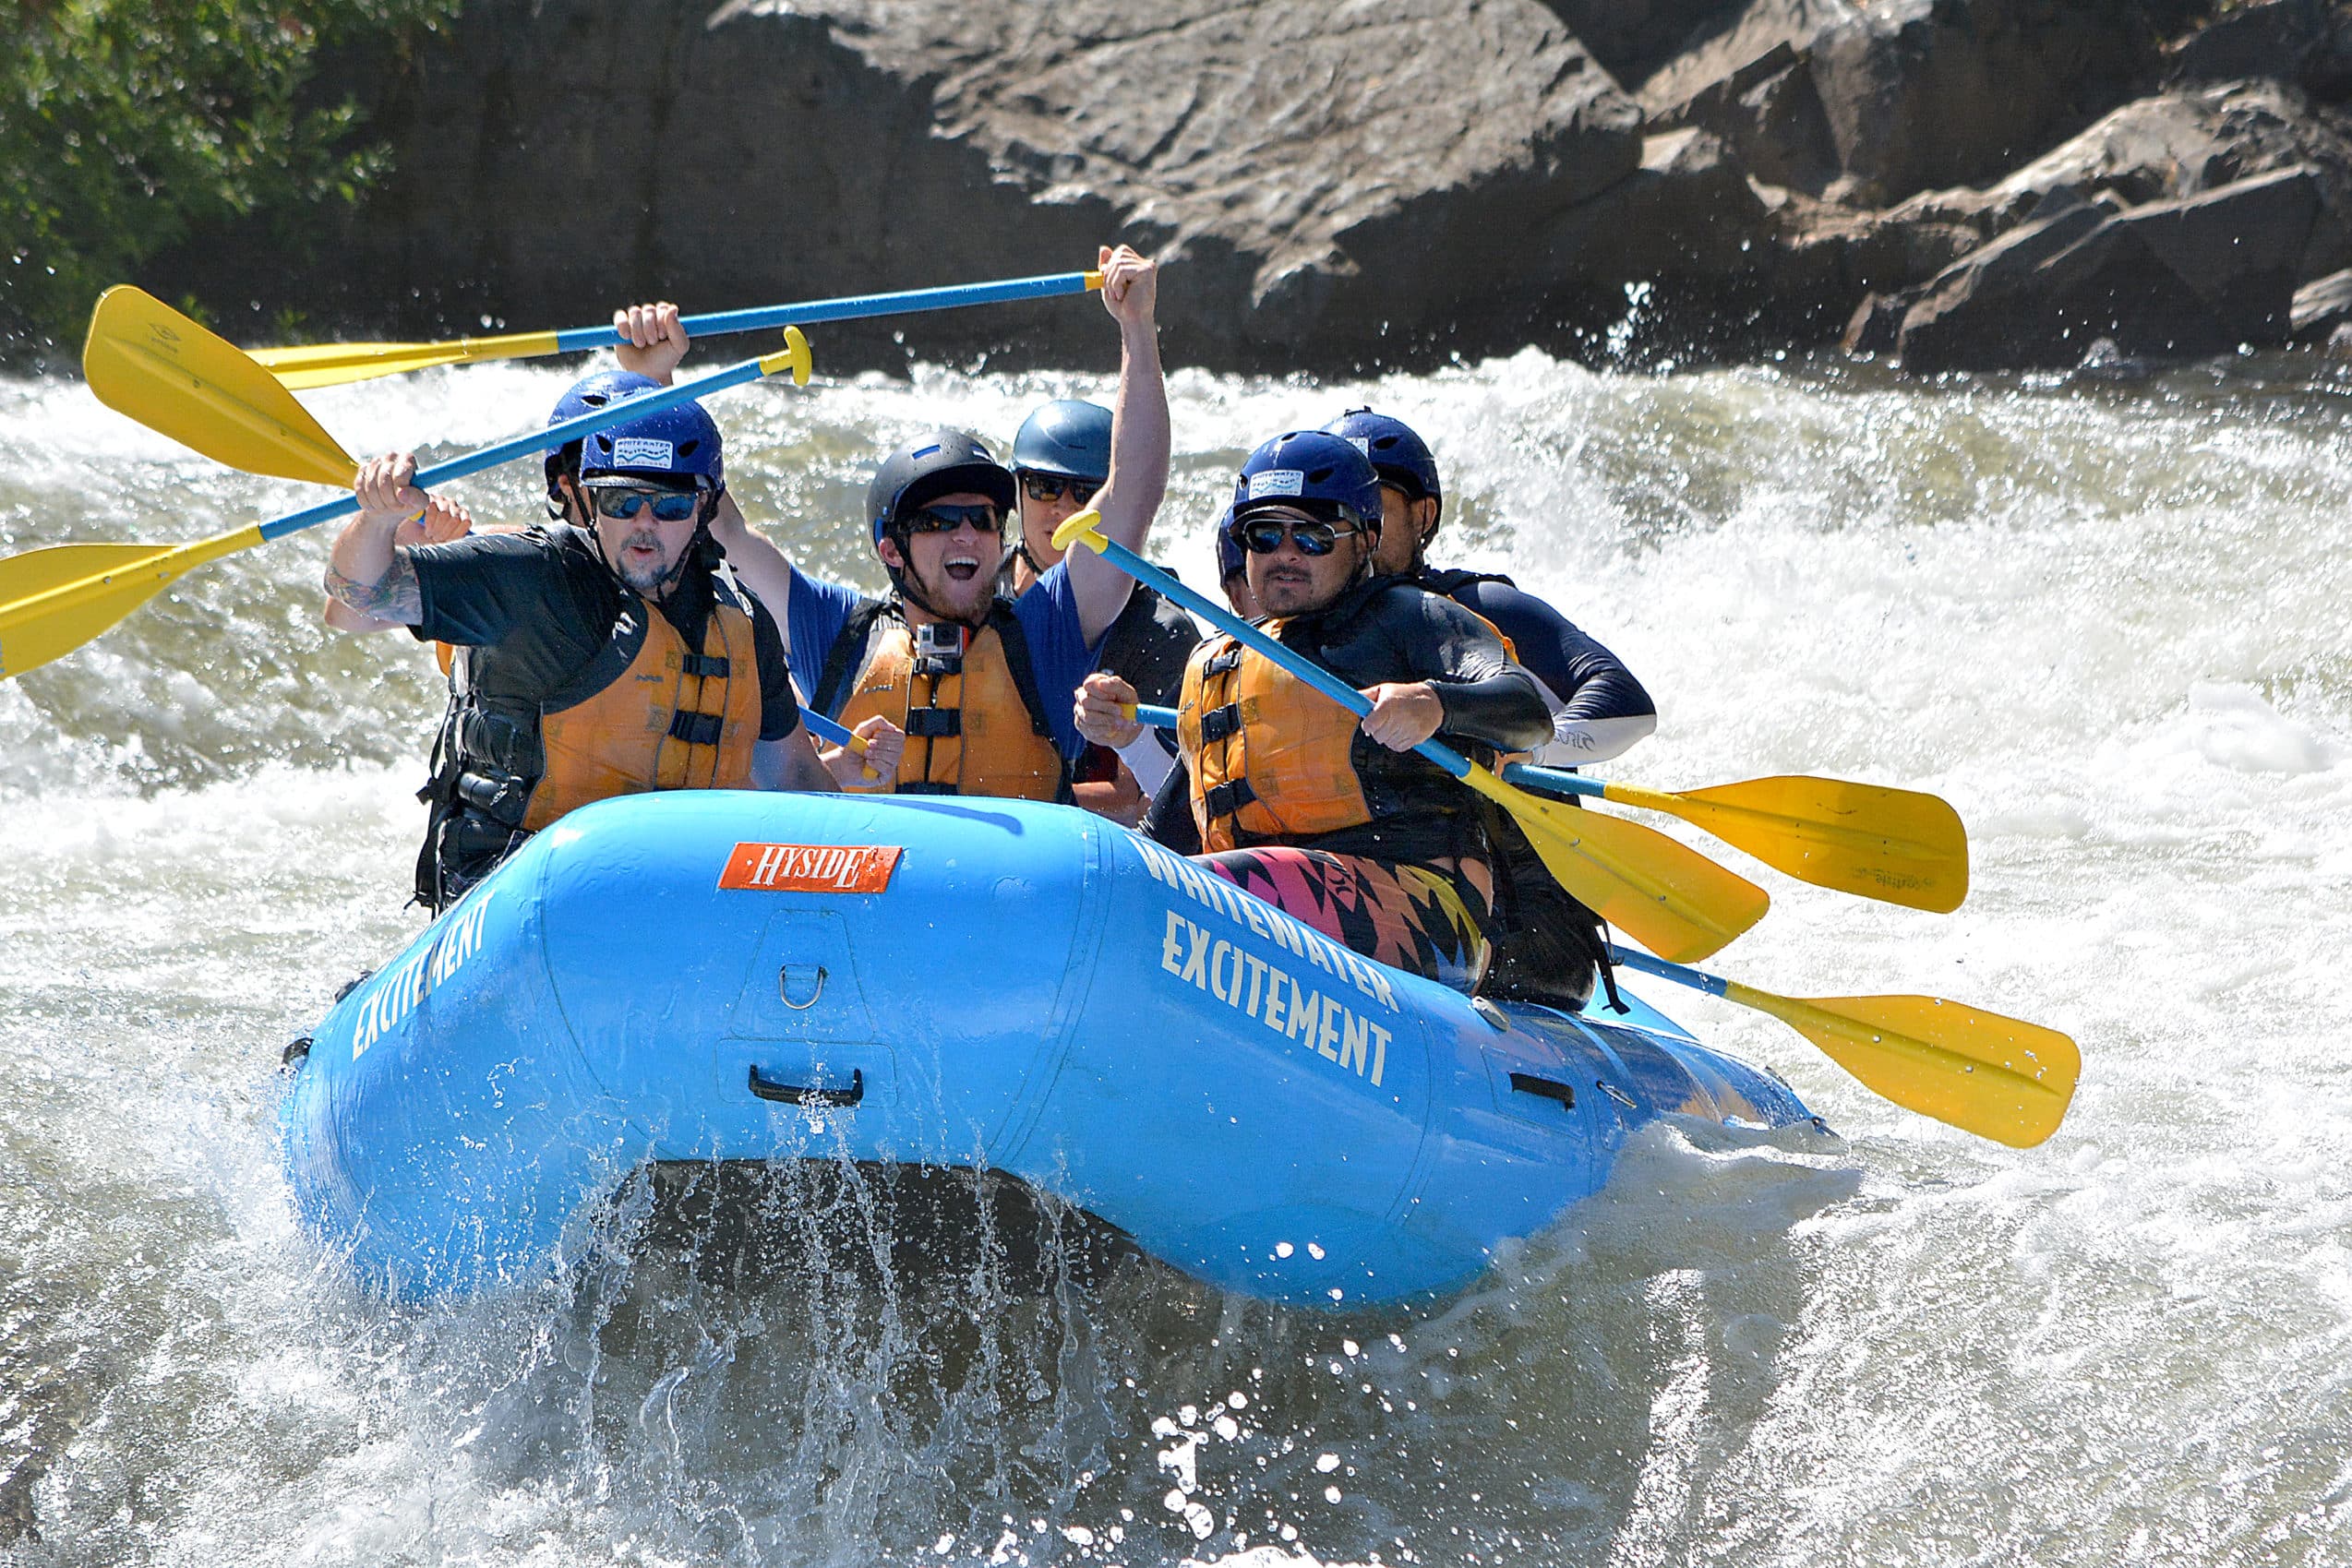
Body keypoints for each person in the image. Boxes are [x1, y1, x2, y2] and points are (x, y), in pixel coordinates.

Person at [323, 388, 836, 911]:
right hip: (524, 890)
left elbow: (795, 777)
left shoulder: (743, 623)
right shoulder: (535, 577)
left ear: (704, 507)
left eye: (671, 505)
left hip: (678, 894)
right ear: (589, 501)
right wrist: (379, 519)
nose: (645, 523)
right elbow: (355, 598)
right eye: (622, 502)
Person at [1075, 432, 1554, 992]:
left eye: (1313, 537)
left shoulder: (1405, 618)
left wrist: (1434, 704)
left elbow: (1528, 712)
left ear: (1367, 539)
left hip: (1427, 915)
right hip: (1255, 899)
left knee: (1181, 896)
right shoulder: (1220, 663)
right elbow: (1166, 837)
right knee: (1117, 880)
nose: (1286, 554)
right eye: (1265, 536)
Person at [702, 245, 1170, 803]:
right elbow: (716, 526)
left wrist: (1138, 329)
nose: (968, 534)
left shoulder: (1047, 632)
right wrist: (651, 383)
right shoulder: (833, 630)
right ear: (891, 549)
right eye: (940, 521)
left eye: (983, 518)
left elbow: (1133, 492)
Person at [1324, 407, 1654, 1011]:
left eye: (1373, 504)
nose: (1357, 527)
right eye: (1338, 512)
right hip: (1374, 901)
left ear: (1422, 516)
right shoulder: (1301, 633)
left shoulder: (1477, 607)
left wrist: (1518, 743)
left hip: (1519, 934)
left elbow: (1625, 705)